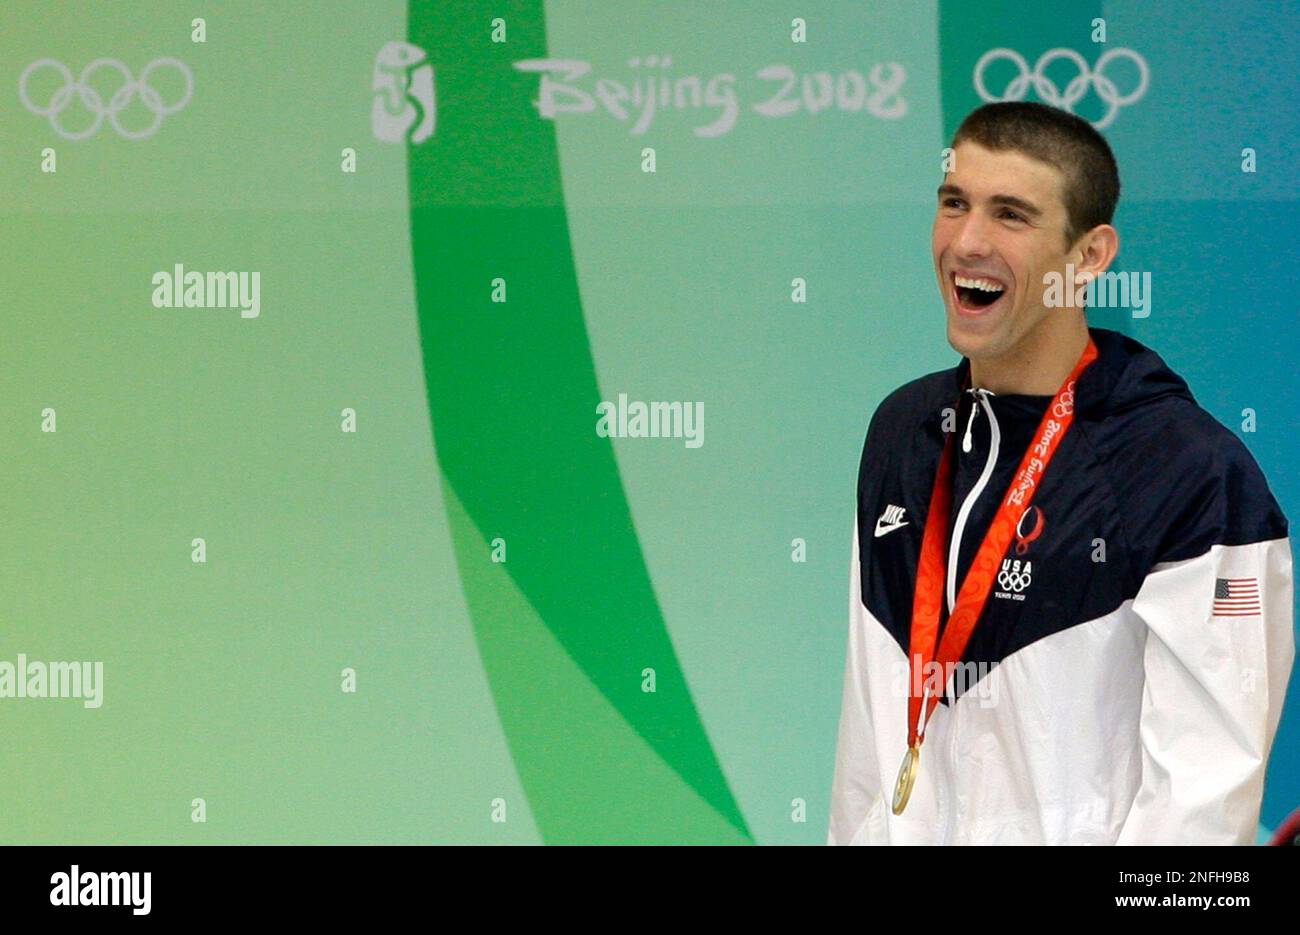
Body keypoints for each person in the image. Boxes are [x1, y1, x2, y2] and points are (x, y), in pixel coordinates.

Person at [827, 101, 1294, 845]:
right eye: (954, 203)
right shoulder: (902, 430)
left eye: (1011, 215)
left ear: (1090, 255)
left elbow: (1204, 805)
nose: (967, 241)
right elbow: (868, 747)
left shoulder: (1188, 469)